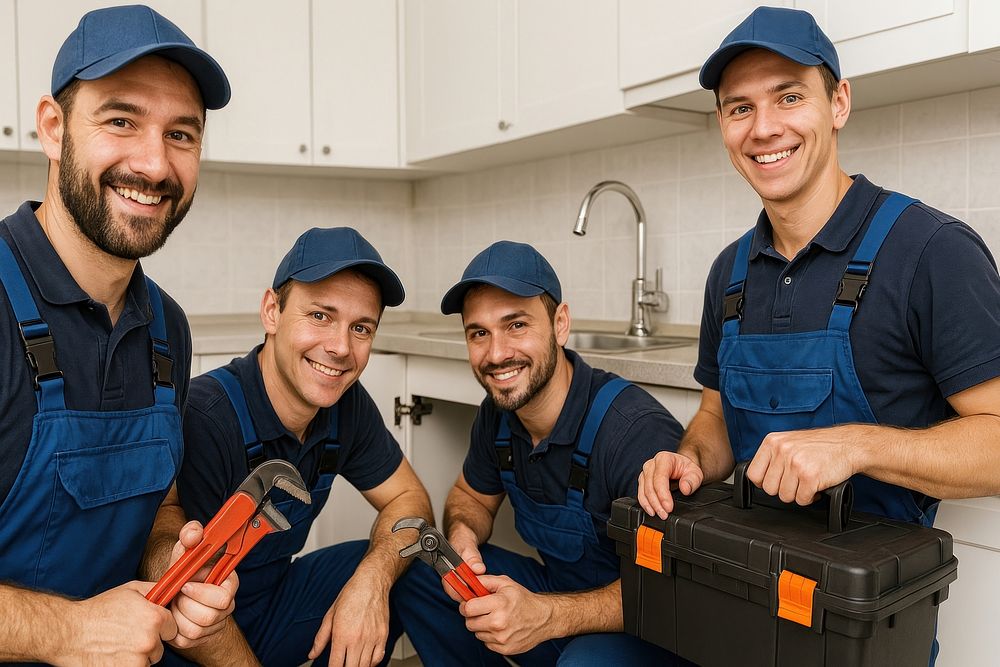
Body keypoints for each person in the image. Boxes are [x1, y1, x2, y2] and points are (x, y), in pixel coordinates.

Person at [638, 7, 1000, 536]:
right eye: (740, 108)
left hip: (863, 599)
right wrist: (689, 457)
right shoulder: (729, 273)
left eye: (789, 97)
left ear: (838, 103)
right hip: (746, 573)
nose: (764, 129)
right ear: (722, 125)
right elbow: (715, 419)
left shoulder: (932, 251)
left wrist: (856, 446)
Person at [0, 5, 240, 665]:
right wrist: (67, 631)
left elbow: (159, 505)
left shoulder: (167, 328)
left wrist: (174, 557)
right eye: (120, 120)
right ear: (53, 128)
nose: (155, 164)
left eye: (182, 134)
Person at [393, 241, 690, 665]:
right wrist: (462, 541)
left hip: (648, 631)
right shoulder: (498, 416)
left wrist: (548, 616)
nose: (496, 354)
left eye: (516, 325)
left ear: (560, 324)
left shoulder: (632, 432)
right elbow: (471, 497)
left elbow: (678, 590)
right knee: (423, 573)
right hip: (559, 601)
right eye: (479, 332)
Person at [176, 226, 434, 667]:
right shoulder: (206, 417)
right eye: (320, 315)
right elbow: (185, 607)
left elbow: (411, 501)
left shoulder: (345, 405)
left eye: (361, 327)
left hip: (273, 607)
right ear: (271, 311)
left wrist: (371, 583)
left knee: (412, 566)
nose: (339, 347)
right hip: (185, 638)